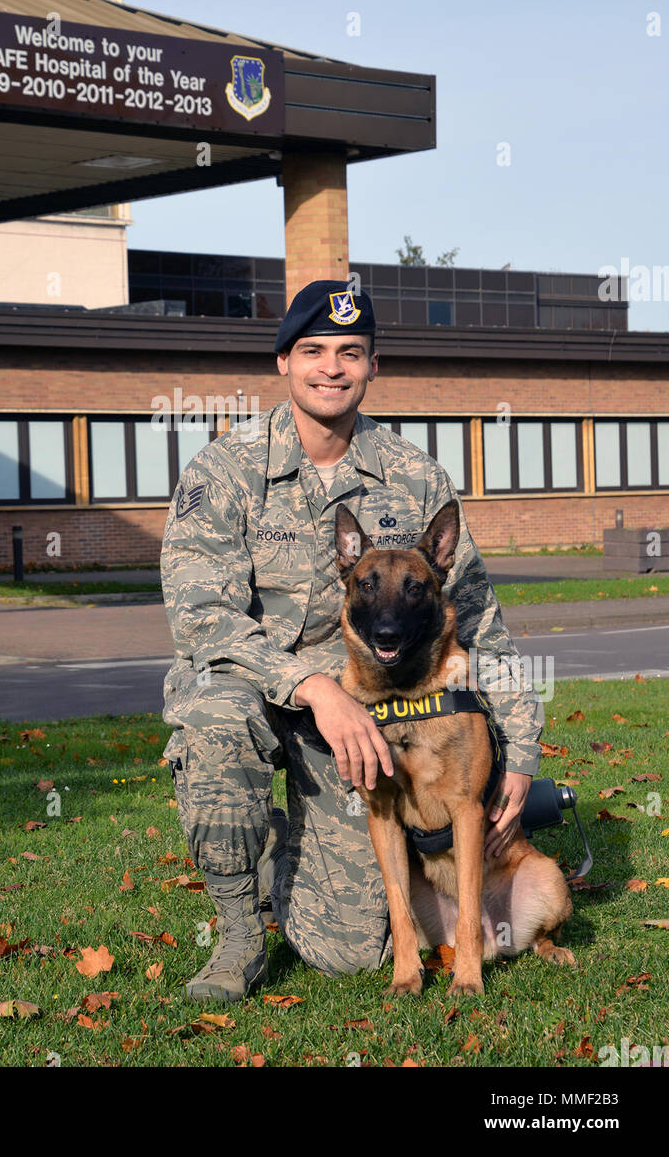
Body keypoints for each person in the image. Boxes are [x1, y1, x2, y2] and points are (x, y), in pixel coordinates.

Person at [159, 280, 543, 1001]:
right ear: (283, 361)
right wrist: (314, 686)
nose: (331, 367)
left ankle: (285, 855)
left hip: (373, 722)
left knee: (351, 953)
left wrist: (519, 752)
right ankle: (239, 937)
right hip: (262, 693)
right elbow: (198, 611)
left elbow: (479, 620)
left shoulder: (414, 474)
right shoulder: (225, 468)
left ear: (372, 367)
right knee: (213, 718)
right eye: (313, 351)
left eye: (350, 352)